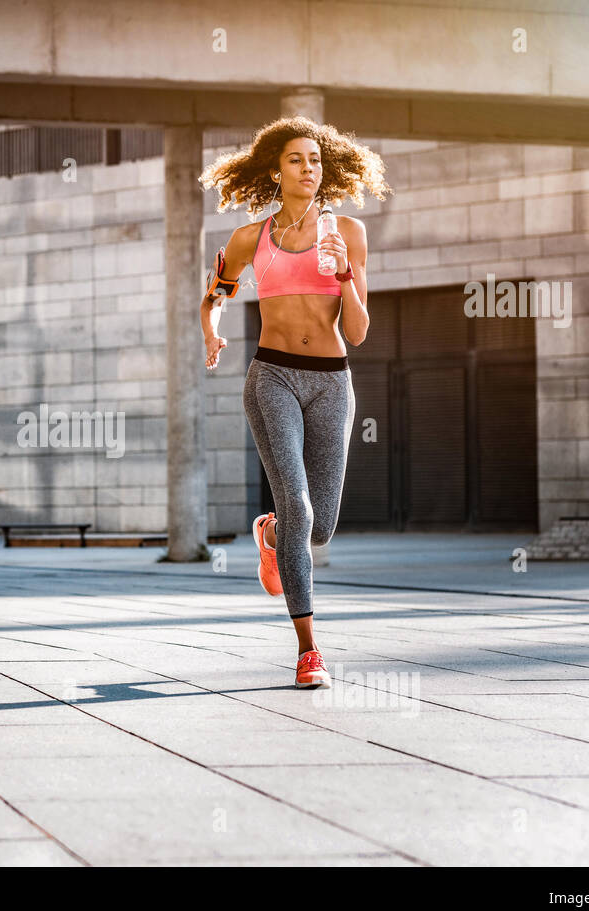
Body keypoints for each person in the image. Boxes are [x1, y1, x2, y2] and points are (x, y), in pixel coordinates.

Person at [198, 116, 391, 689]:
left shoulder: (349, 232)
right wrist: (211, 329)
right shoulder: (249, 239)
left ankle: (273, 535)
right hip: (273, 377)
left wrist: (348, 274)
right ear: (275, 172)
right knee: (301, 506)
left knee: (320, 526)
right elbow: (213, 298)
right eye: (296, 160)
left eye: (315, 159)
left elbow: (357, 333)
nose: (309, 169)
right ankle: (310, 650)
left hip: (333, 380)